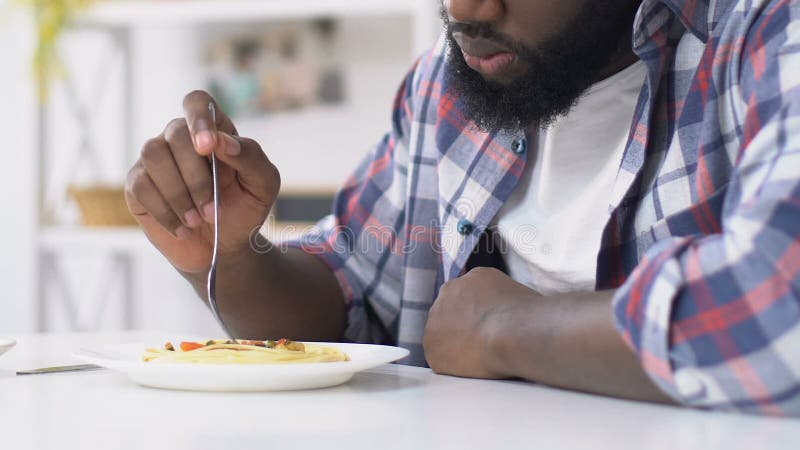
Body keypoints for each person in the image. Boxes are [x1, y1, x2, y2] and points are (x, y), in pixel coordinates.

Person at [124, 0, 800, 416]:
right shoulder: (446, 87)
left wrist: (508, 327)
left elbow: (780, 312)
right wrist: (235, 255)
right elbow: (349, 296)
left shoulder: (763, 37)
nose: (466, 8)